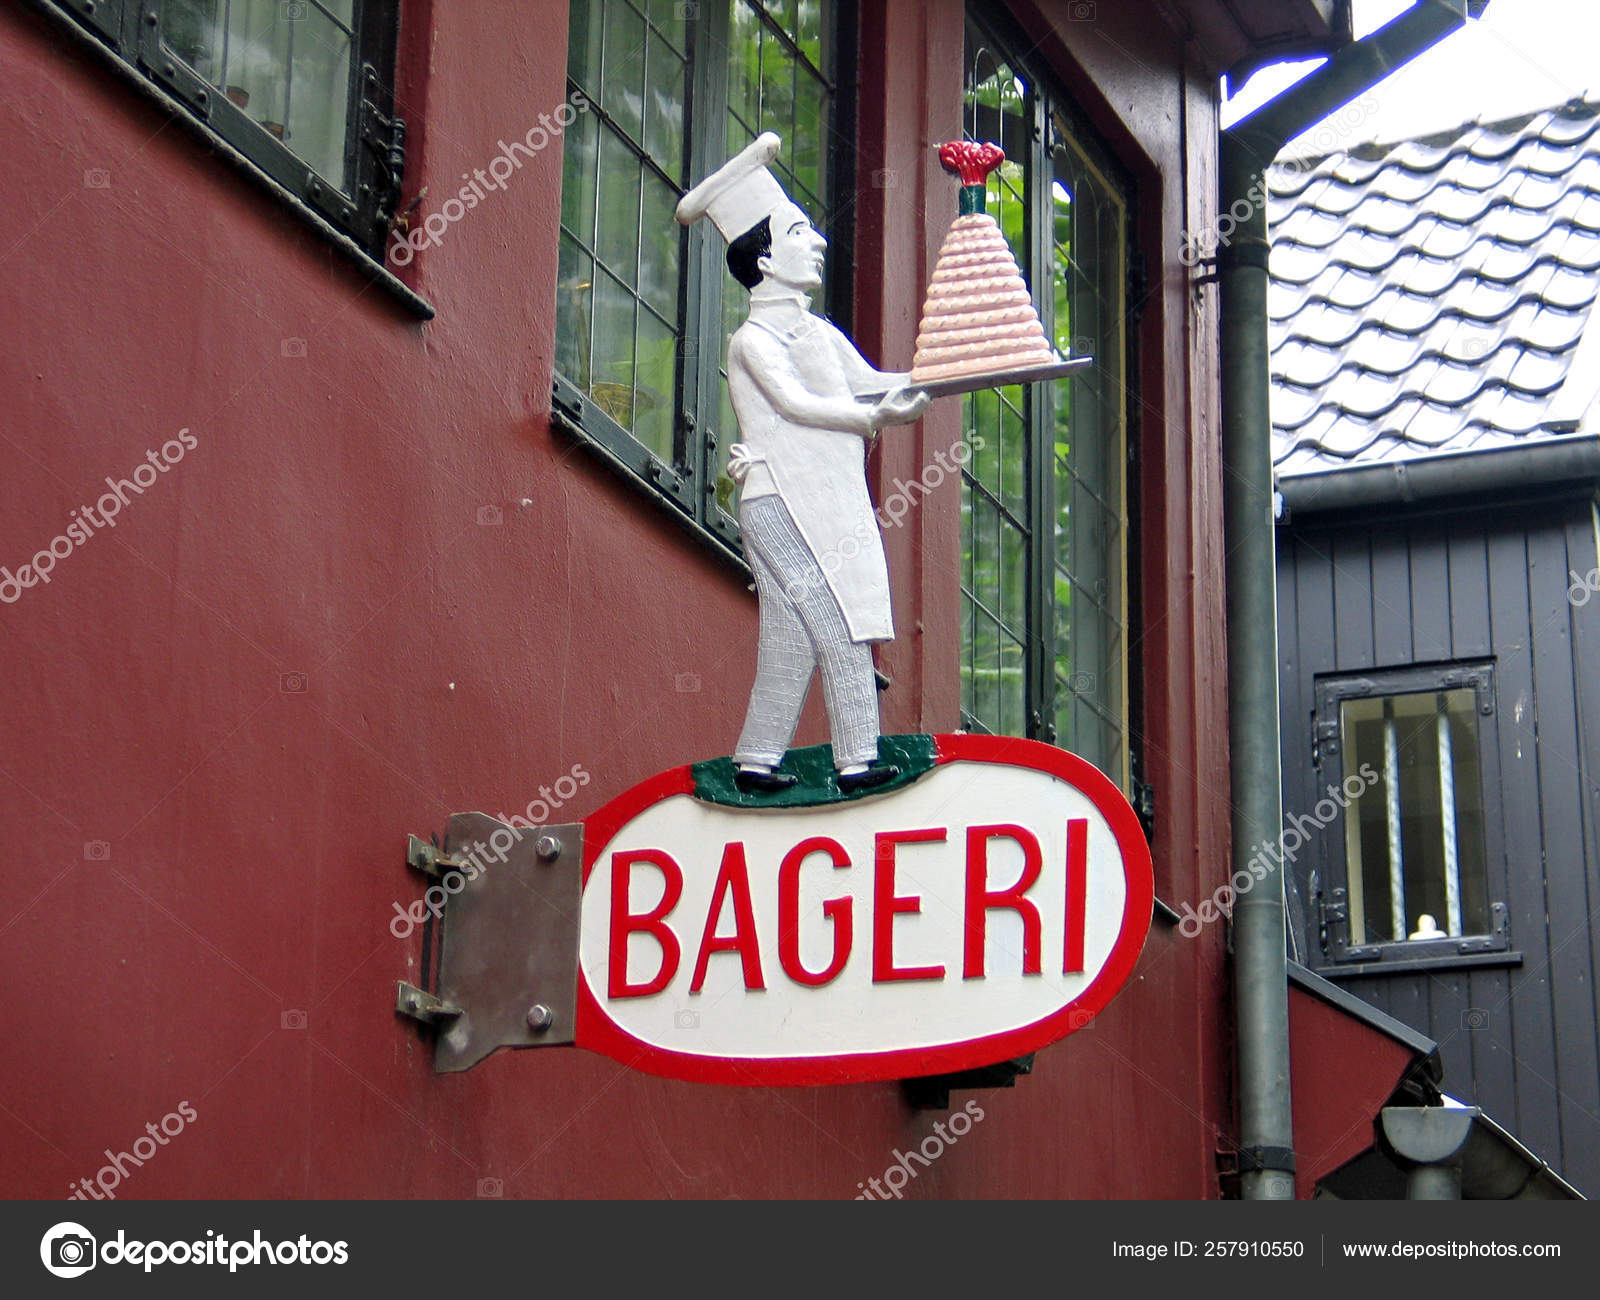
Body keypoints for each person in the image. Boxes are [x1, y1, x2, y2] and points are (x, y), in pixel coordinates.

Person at [676, 133, 930, 794]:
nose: (816, 241)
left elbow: (873, 380)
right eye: (797, 232)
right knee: (839, 622)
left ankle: (757, 761)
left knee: (790, 639)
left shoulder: (819, 332)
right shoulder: (752, 340)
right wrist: (873, 418)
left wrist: (947, 372)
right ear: (761, 256)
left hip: (822, 496)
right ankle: (857, 761)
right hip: (777, 498)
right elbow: (798, 405)